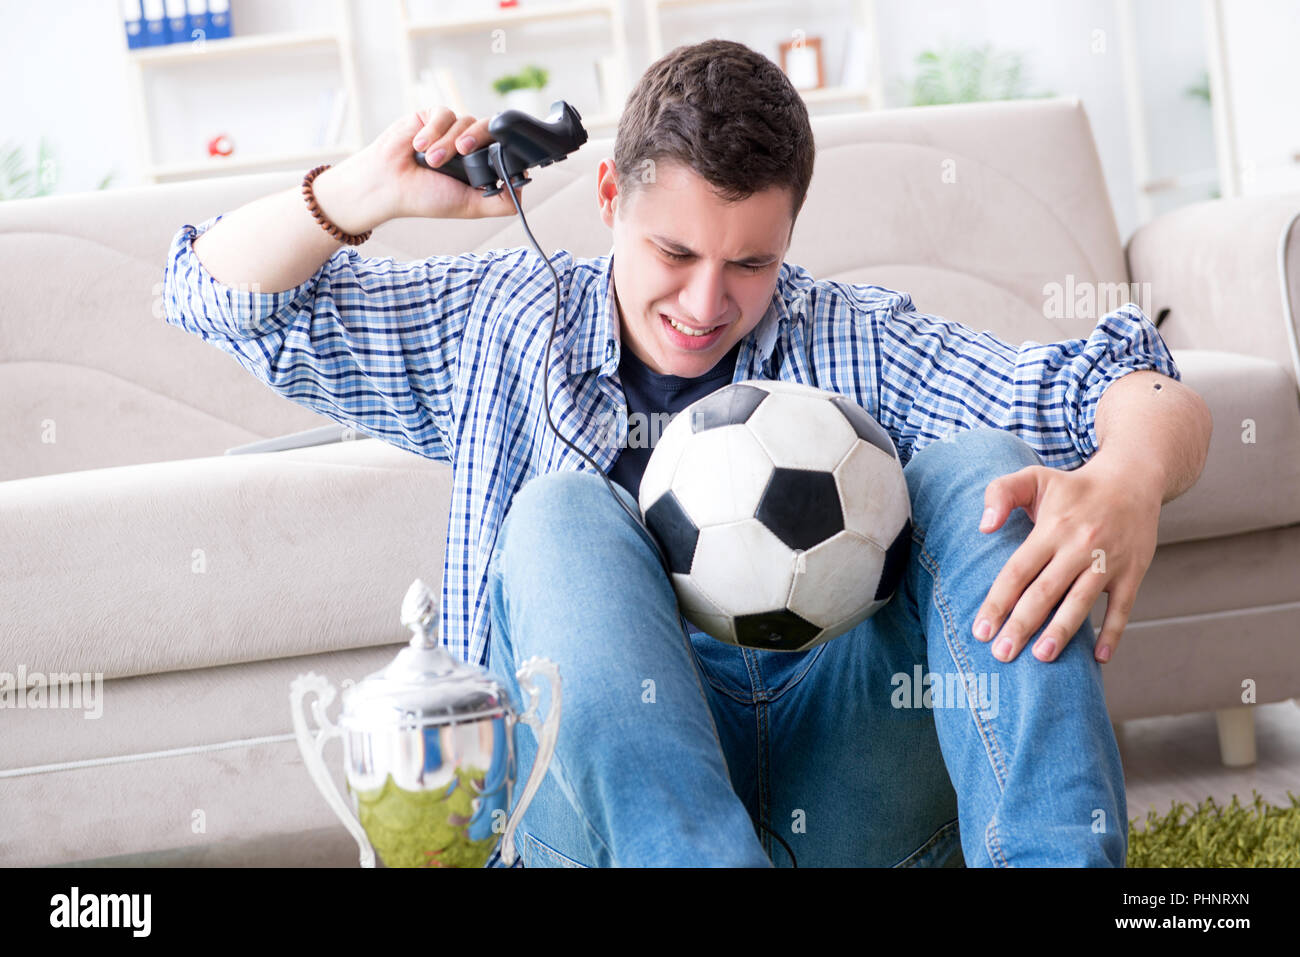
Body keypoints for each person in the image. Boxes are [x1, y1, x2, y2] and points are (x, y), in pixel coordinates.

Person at [163, 39, 1212, 867]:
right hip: (602, 822)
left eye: (749, 262)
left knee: (983, 475)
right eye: (674, 252)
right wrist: (363, 191)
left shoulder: (846, 334)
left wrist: (1126, 482)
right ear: (613, 201)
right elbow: (210, 296)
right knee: (561, 511)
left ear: (789, 240)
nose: (707, 306)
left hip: (843, 781)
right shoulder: (496, 322)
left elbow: (1126, 381)